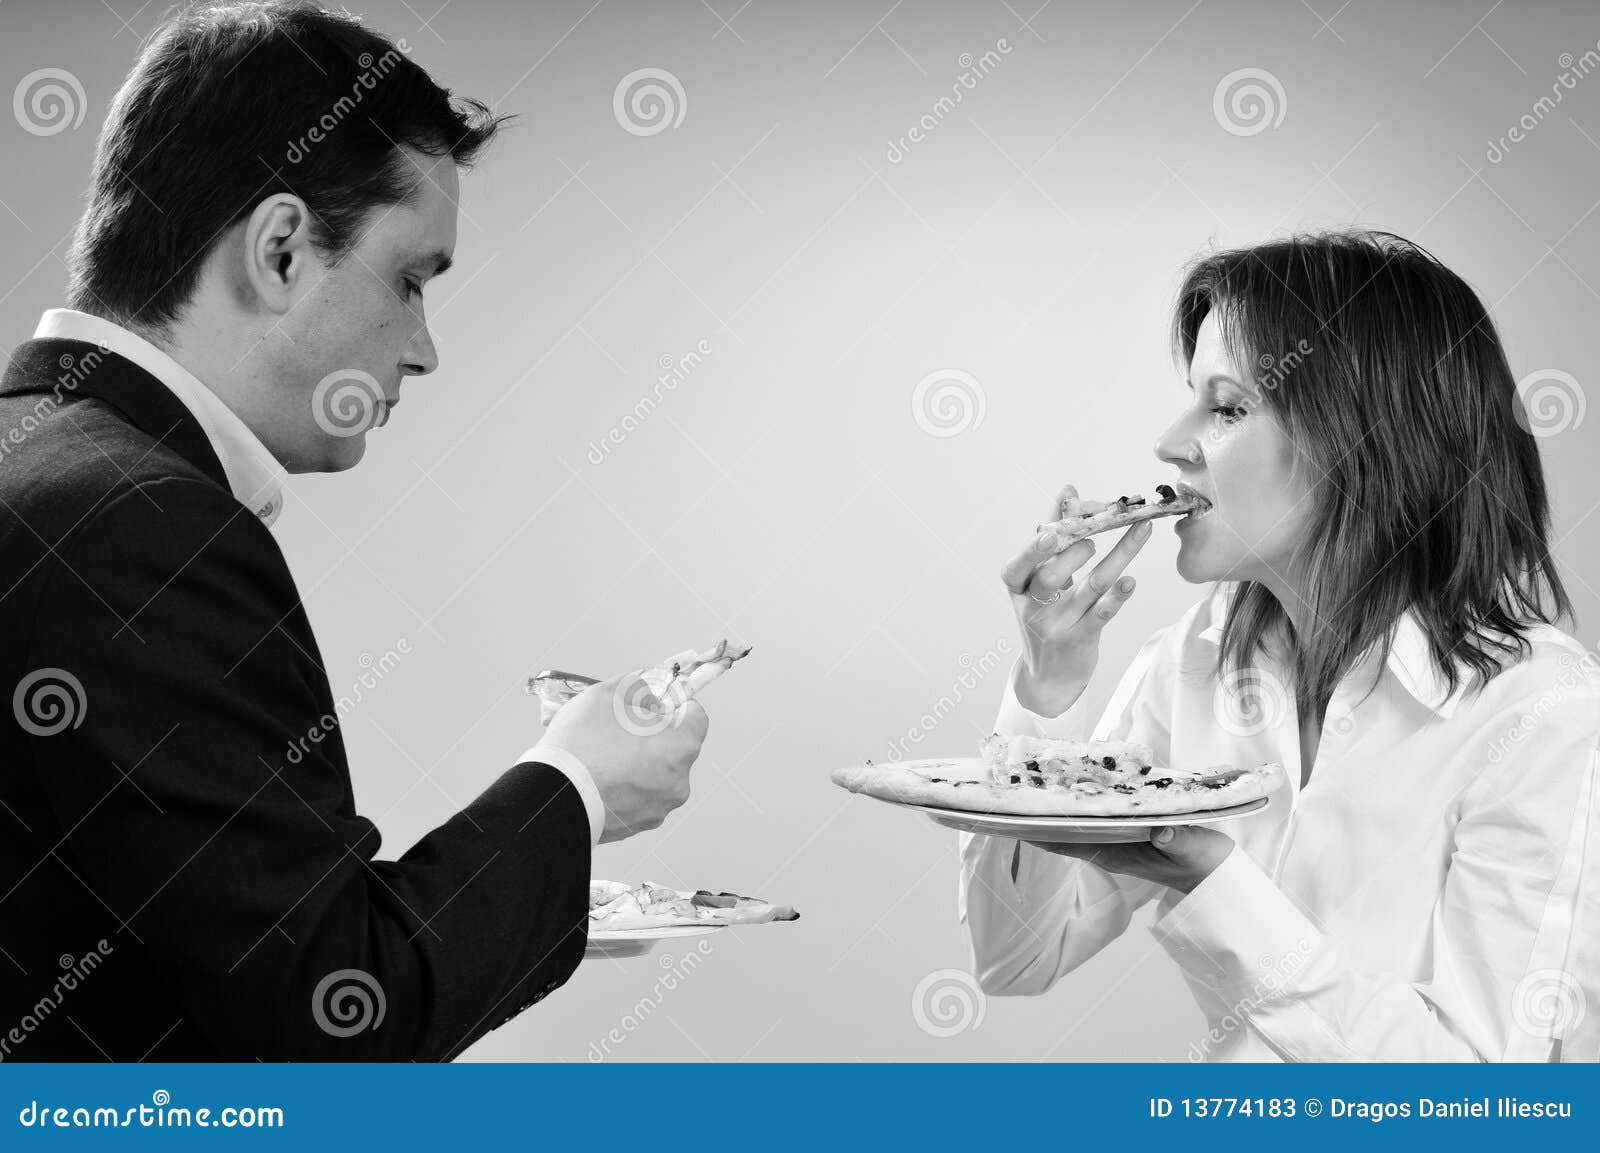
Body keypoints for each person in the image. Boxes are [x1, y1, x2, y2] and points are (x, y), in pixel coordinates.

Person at [0, 1, 705, 1060]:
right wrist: (577, 783)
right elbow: (335, 1015)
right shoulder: (142, 527)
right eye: (411, 279)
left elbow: (215, 938)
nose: (423, 351)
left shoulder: (39, 464)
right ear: (281, 249)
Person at [961, 230, 1600, 1061]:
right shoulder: (1191, 660)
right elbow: (1015, 960)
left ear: (1365, 443)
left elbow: (1483, 1096)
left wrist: (1210, 880)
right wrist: (1047, 688)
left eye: (1226, 407)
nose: (1170, 442)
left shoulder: (1544, 717)